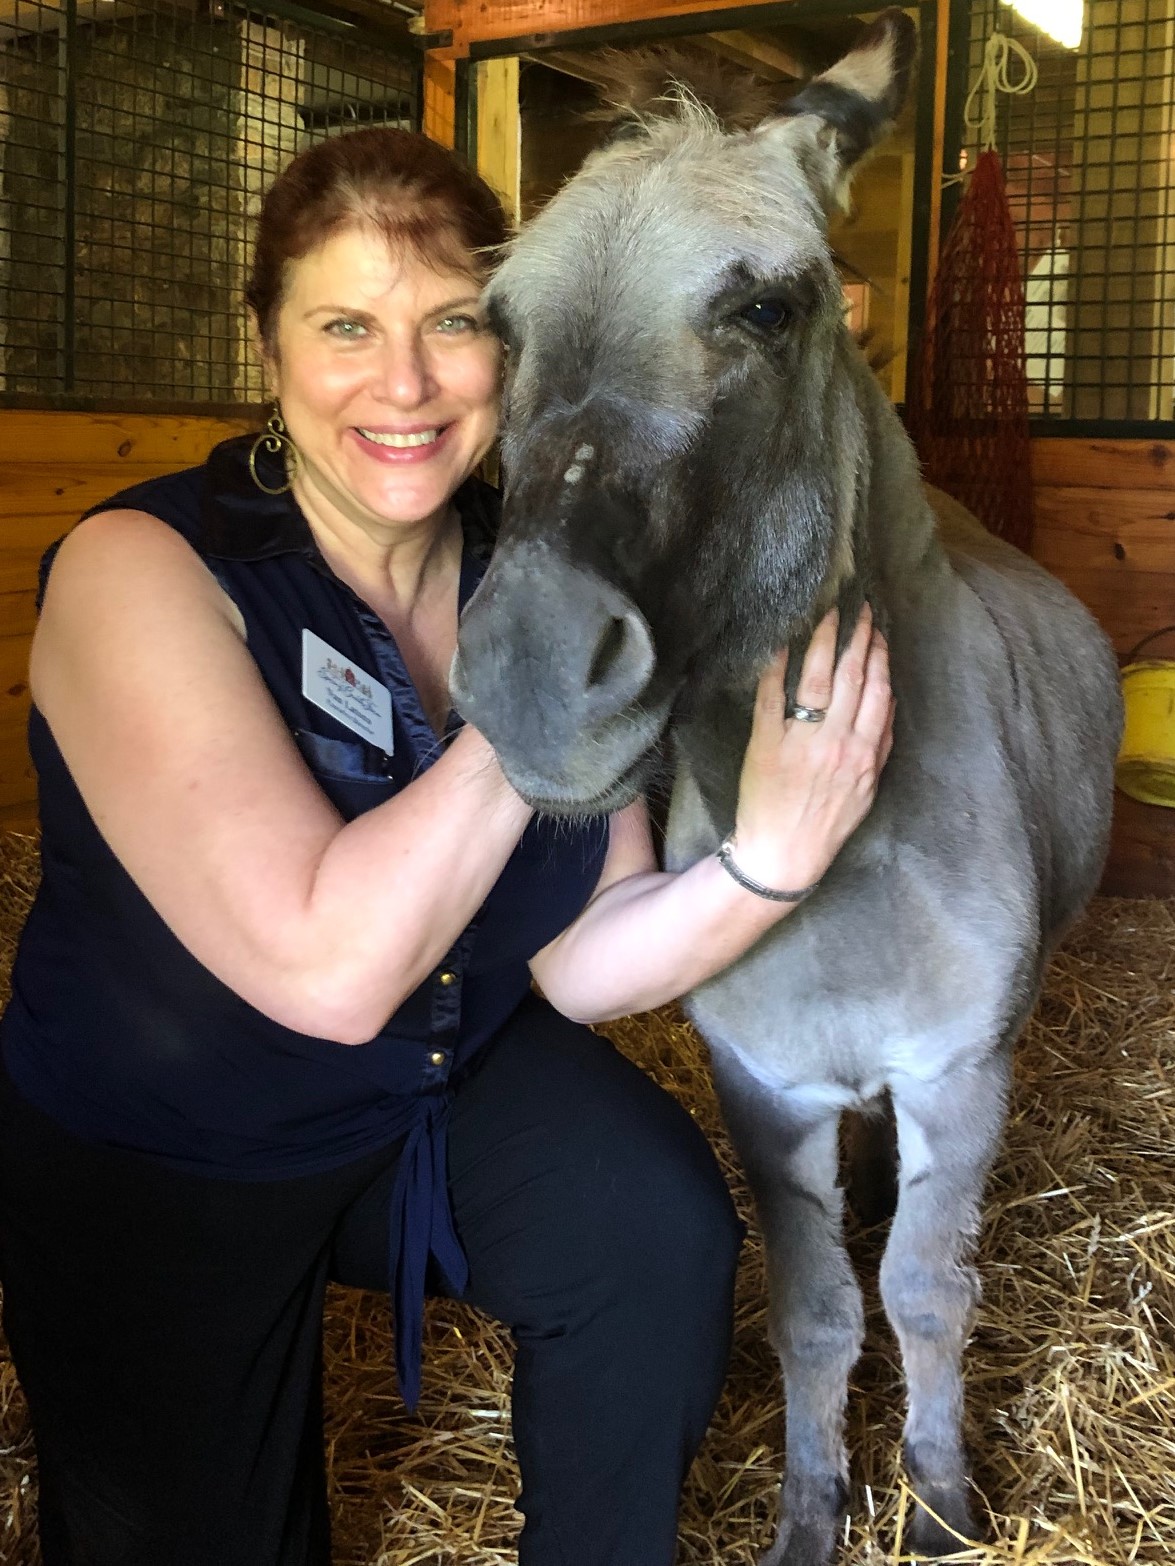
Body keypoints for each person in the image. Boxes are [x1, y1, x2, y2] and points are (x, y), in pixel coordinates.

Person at [0, 127, 894, 1566]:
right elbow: (331, 968)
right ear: (269, 347)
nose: (402, 383)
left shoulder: (519, 559)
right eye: (344, 325)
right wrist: (534, 683)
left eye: (454, 324)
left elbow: (590, 959)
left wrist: (771, 859)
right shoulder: (142, 568)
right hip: (169, 1145)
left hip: (425, 1085)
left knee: (652, 1233)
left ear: (514, 347)